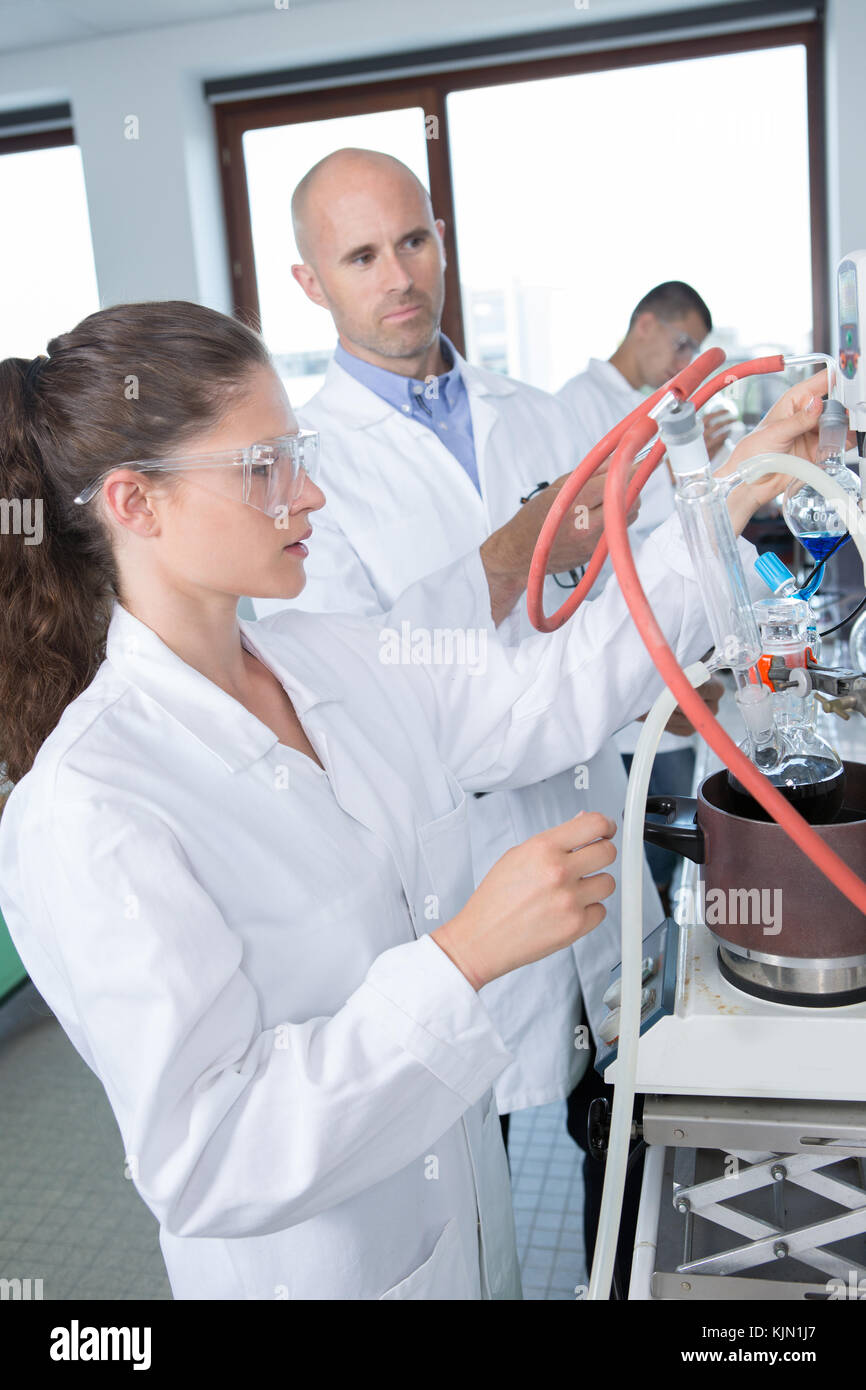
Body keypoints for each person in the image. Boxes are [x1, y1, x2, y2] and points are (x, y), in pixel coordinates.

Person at [0, 302, 820, 1301]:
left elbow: (550, 693)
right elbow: (208, 1156)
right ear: (135, 502)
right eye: (264, 468)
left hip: (461, 1240)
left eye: (295, 454)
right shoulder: (87, 808)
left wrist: (730, 498)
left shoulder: (325, 659)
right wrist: (464, 952)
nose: (308, 495)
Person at [250, 149, 722, 1274]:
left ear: (441, 239)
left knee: (628, 1160)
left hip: (593, 845)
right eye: (360, 256)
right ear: (311, 283)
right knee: (470, 1199)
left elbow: (612, 602)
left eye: (412, 241)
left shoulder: (533, 414)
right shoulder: (310, 474)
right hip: (457, 887)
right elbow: (364, 693)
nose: (398, 276)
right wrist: (509, 552)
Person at [558, 282, 731, 905]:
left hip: (671, 648)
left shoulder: (660, 406)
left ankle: (660, 937)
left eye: (698, 350)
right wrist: (679, 465)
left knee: (674, 828)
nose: (685, 362)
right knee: (633, 835)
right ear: (644, 324)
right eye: (682, 342)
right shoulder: (575, 406)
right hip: (615, 652)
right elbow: (600, 527)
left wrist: (697, 462)